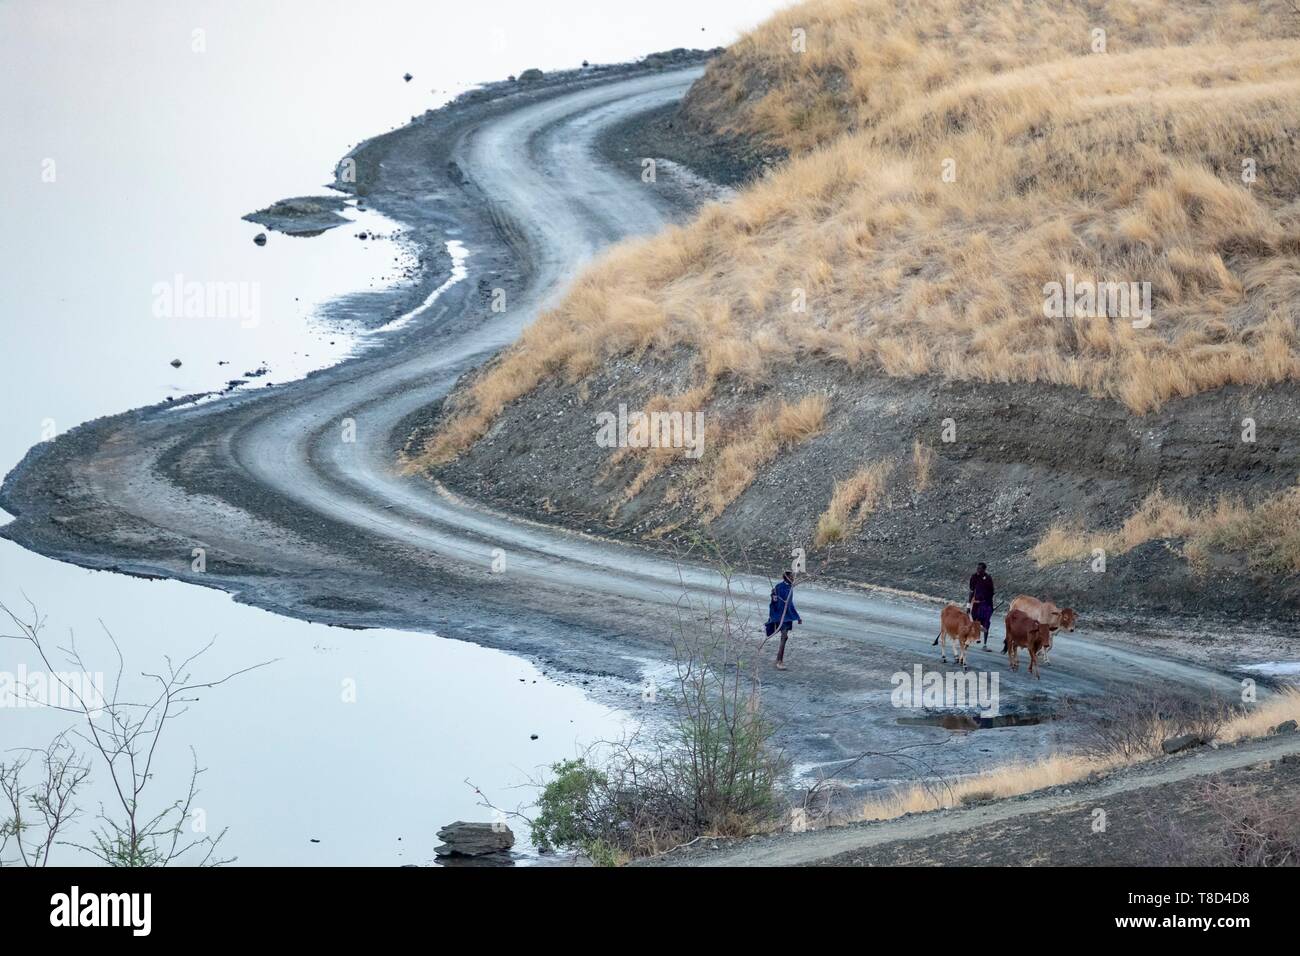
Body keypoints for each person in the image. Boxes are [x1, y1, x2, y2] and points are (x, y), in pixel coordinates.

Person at [767, 571, 802, 670]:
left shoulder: (790, 588)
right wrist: (773, 595)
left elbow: (790, 604)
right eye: (791, 577)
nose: (793, 578)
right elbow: (774, 601)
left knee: (784, 637)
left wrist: (797, 617)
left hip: (787, 616)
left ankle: (778, 659)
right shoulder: (779, 587)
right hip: (780, 616)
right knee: (784, 636)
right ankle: (779, 661)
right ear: (786, 578)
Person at [968, 562, 995, 649]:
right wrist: (968, 605)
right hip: (976, 603)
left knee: (986, 623)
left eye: (980, 569)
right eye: (977, 568)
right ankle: (975, 638)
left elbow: (991, 592)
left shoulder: (988, 578)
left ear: (984, 570)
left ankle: (985, 644)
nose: (978, 570)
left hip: (986, 604)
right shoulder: (974, 577)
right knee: (975, 621)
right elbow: (971, 591)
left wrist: (991, 606)